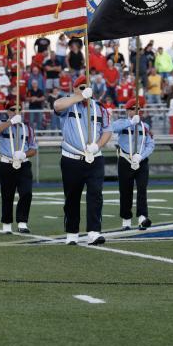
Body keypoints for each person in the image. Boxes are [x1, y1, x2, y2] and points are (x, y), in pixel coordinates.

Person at [53, 75, 113, 245]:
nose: (85, 90)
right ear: (74, 89)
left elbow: (107, 130)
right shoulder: (69, 104)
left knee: (95, 195)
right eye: (81, 87)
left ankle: (94, 231)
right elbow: (57, 105)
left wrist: (98, 146)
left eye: (87, 87)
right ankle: (72, 232)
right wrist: (79, 96)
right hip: (72, 159)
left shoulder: (99, 108)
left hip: (94, 157)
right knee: (72, 197)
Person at [0, 103, 38, 234]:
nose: (16, 111)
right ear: (7, 111)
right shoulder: (2, 123)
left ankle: (22, 222)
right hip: (7, 164)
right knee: (7, 195)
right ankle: (6, 223)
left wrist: (24, 154)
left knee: (26, 193)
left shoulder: (27, 127)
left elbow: (34, 149)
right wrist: (11, 122)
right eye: (12, 109)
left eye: (18, 109)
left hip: (23, 164)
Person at [111, 97, 155, 231]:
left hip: (141, 161)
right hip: (125, 160)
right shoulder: (122, 122)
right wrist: (130, 123)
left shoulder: (145, 126)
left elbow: (151, 144)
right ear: (127, 111)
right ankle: (126, 219)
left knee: (142, 189)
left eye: (138, 109)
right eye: (133, 109)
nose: (136, 111)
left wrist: (141, 155)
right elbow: (113, 128)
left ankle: (142, 217)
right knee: (125, 190)